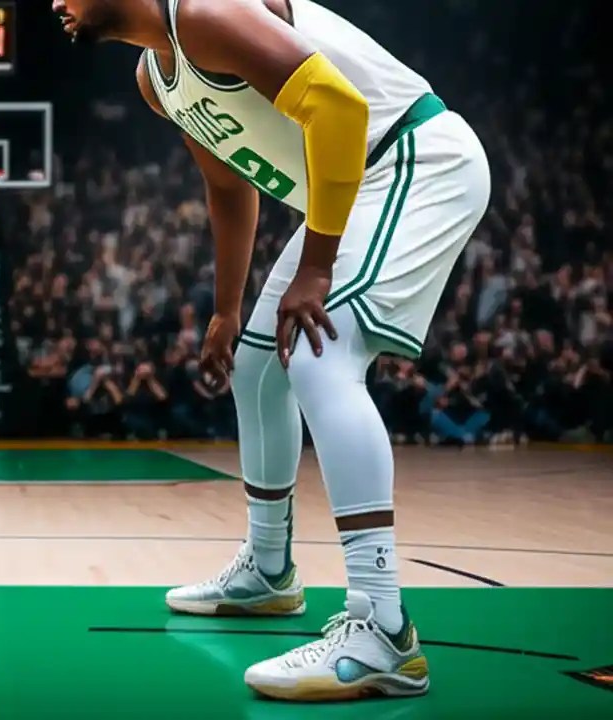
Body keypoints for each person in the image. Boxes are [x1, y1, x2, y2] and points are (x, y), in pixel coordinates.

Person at [54, 0, 489, 702]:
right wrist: (228, 308)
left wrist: (316, 267)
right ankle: (268, 570)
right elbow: (228, 185)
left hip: (413, 161)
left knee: (319, 355)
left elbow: (340, 111)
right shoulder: (154, 78)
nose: (55, 5)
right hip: (352, 189)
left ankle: (383, 627)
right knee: (257, 366)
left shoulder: (202, 11)